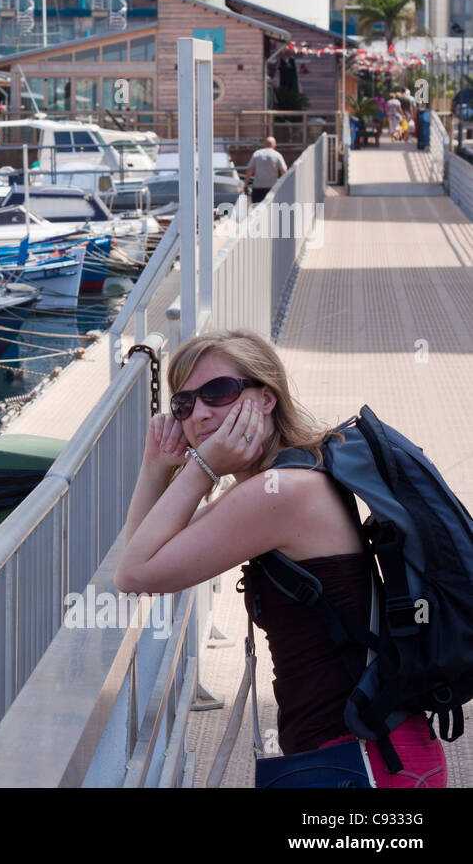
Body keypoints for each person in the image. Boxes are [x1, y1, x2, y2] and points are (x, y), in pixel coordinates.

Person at [114, 330, 447, 787]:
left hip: (365, 763)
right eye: (184, 403)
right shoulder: (283, 478)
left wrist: (200, 466)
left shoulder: (282, 492)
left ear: (265, 399)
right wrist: (157, 464)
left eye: (218, 392)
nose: (201, 413)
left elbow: (135, 574)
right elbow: (146, 552)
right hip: (356, 754)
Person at [243, 137, 287, 204]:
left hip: (257, 188)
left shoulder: (257, 154)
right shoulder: (277, 155)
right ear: (274, 145)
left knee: (256, 209)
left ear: (264, 144)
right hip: (271, 188)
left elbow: (249, 171)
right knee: (271, 210)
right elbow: (284, 171)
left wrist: (245, 184)